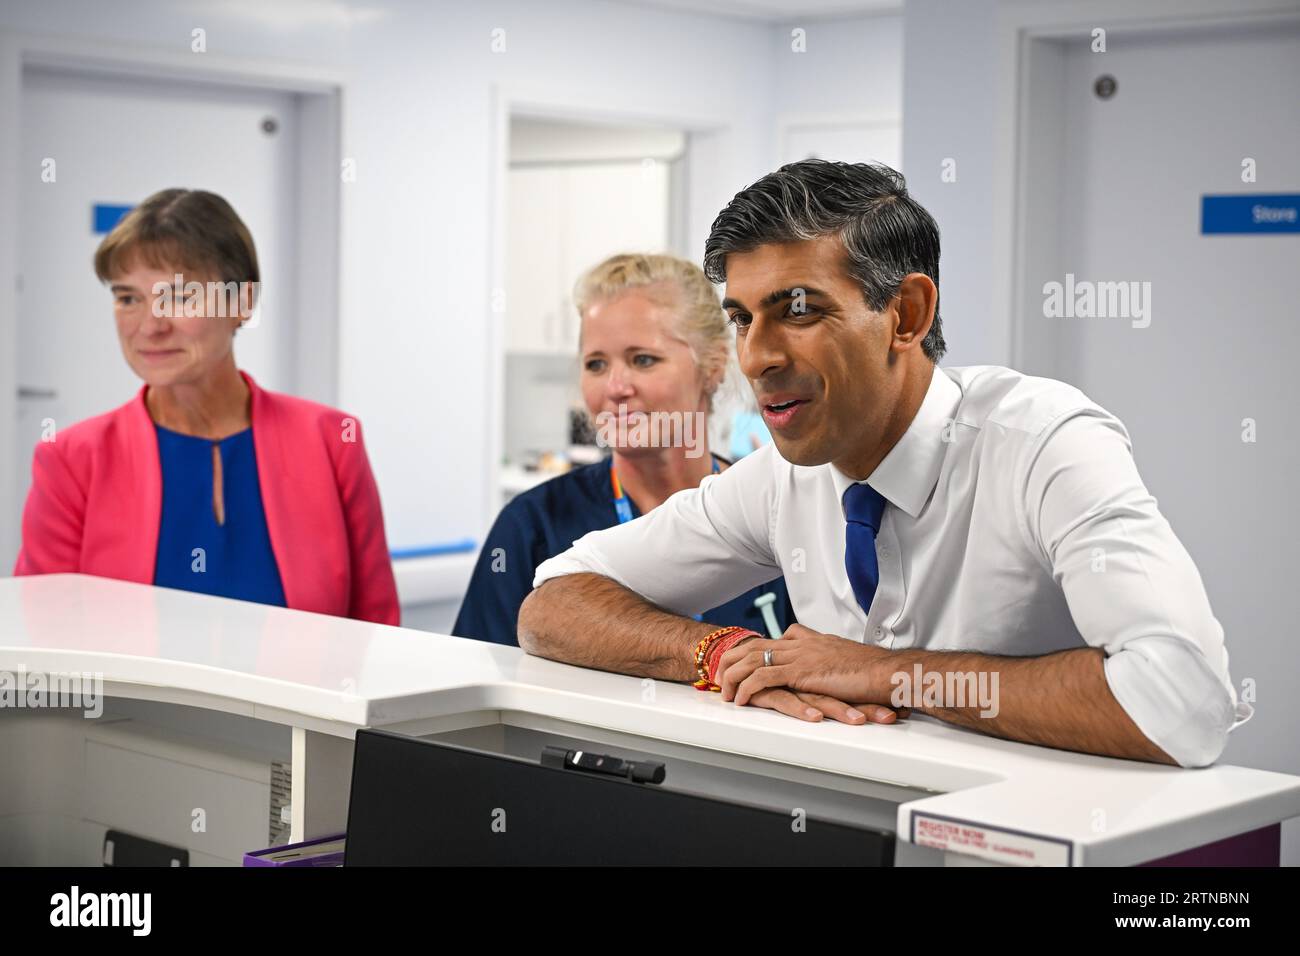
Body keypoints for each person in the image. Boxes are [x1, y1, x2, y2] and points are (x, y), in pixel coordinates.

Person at [519, 160, 1251, 768]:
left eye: (798, 311)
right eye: (742, 318)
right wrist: (722, 652)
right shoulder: (785, 475)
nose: (757, 356)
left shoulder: (1043, 444)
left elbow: (1181, 701)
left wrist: (885, 674)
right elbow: (554, 604)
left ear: (907, 315)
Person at [14, 188, 399, 625]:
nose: (150, 327)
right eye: (128, 298)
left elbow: (376, 630)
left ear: (243, 304)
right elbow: (45, 637)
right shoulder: (72, 459)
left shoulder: (332, 441)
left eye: (179, 298)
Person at [454, 253, 794, 646]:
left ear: (713, 365)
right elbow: (477, 677)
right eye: (596, 365)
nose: (615, 387)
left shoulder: (772, 514)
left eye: (643, 360)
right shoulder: (531, 527)